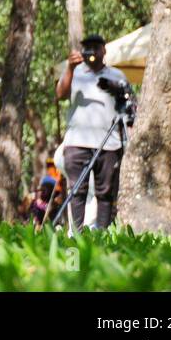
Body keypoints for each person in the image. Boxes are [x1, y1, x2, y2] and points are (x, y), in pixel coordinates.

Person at [57, 33, 131, 230]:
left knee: (105, 192)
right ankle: (76, 233)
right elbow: (60, 94)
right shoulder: (75, 73)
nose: (91, 52)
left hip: (109, 143)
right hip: (77, 142)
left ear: (104, 50)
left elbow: (129, 104)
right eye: (86, 48)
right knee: (77, 190)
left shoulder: (117, 75)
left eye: (95, 48)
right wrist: (70, 68)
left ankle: (102, 233)